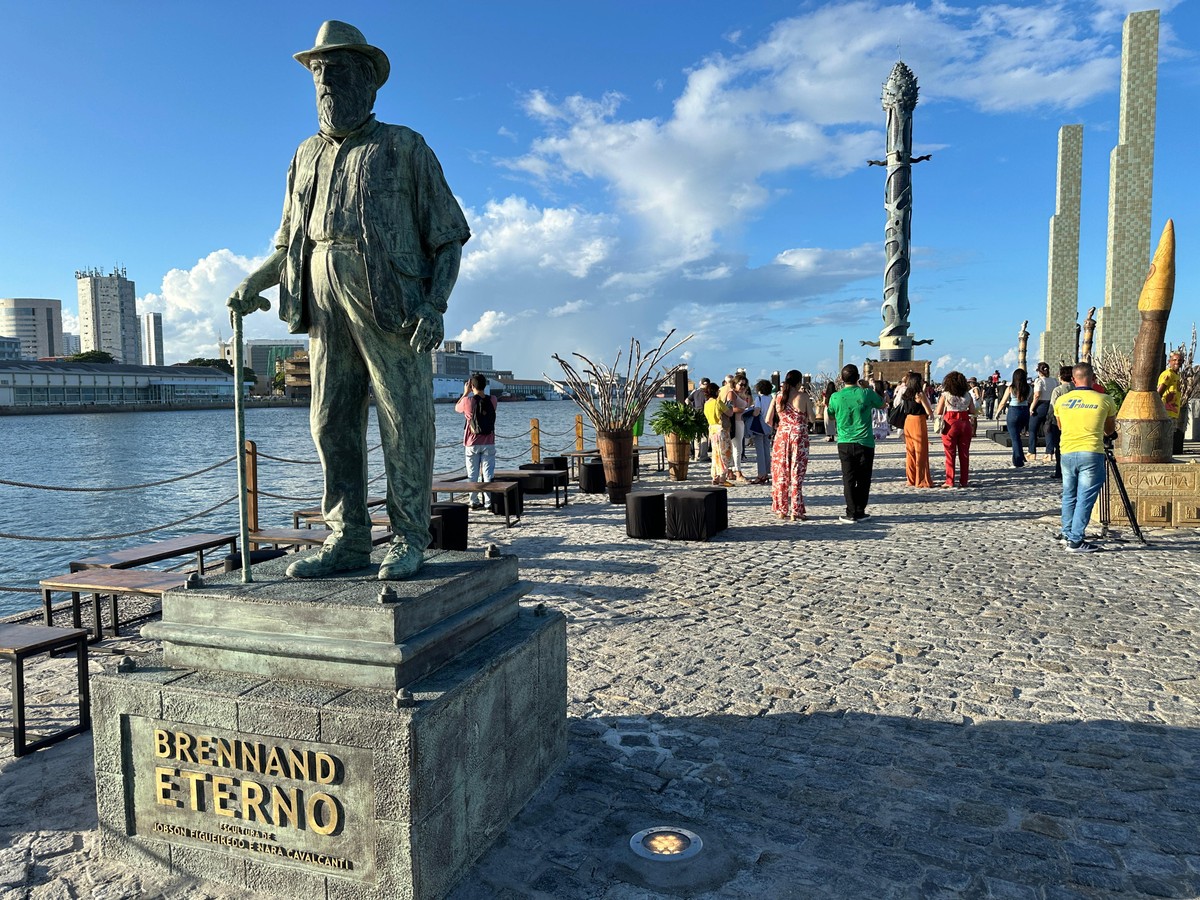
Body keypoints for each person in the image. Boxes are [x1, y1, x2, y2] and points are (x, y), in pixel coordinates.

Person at [227, 21, 471, 581]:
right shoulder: (304, 154)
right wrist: (253, 282)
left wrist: (436, 303)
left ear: (369, 81)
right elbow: (288, 239)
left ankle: (410, 535)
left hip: (394, 301)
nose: (325, 84)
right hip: (320, 296)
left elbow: (448, 235)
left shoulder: (404, 146)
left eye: (336, 72)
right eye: (318, 74)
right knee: (328, 421)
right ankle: (347, 537)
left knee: (403, 419)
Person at [1053, 362, 1118, 552]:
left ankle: (1066, 533)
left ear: (1073, 379)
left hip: (1067, 451)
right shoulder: (1105, 400)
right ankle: (1076, 539)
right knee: (1085, 497)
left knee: (1069, 495)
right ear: (1093, 378)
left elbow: (1061, 426)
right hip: (1091, 451)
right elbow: (1109, 429)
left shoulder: (1062, 401)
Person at [827, 364, 883, 523]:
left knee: (848, 478)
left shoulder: (835, 397)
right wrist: (868, 387)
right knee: (864, 478)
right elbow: (882, 403)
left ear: (841, 379)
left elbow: (830, 415)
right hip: (865, 441)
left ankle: (850, 512)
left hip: (844, 441)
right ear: (858, 377)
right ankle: (860, 510)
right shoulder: (865, 393)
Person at [768, 371, 813, 518]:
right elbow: (812, 418)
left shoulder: (778, 397)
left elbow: (768, 419)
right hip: (798, 436)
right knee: (796, 472)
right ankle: (796, 510)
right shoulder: (803, 396)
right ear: (799, 382)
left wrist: (782, 425)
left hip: (782, 435)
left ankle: (781, 509)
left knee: (781, 472)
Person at [454, 374, 499, 509]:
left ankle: (474, 501)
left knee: (472, 474)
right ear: (485, 385)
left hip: (472, 442)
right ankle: (489, 502)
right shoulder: (493, 400)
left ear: (471, 385)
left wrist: (465, 393)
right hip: (489, 441)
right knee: (488, 473)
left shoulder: (467, 401)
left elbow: (457, 408)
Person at [934, 371, 975, 487]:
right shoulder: (967, 395)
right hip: (965, 422)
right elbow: (972, 411)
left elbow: (938, 411)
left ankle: (950, 480)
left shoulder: (946, 395)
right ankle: (964, 480)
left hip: (950, 423)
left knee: (950, 453)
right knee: (964, 453)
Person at [899, 372, 935, 487]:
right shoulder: (920, 394)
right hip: (918, 421)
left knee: (910, 452)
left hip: (908, 422)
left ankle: (911, 478)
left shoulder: (905, 394)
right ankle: (921, 479)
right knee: (921, 451)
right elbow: (929, 411)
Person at [996, 368, 1032, 468]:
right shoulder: (1029, 388)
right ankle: (1021, 456)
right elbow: (1030, 400)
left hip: (1013, 411)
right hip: (1025, 411)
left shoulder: (1011, 388)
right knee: (1018, 436)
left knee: (1015, 438)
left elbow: (1003, 402)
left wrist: (997, 413)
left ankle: (1017, 462)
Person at [704, 382, 735, 486]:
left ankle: (715, 477)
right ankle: (722, 478)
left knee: (715, 455)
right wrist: (730, 405)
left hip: (712, 430)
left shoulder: (706, 403)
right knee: (724, 455)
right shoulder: (718, 402)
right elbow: (729, 413)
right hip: (721, 431)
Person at [1028, 362, 1060, 463]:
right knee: (1048, 429)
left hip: (1041, 405)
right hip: (1051, 405)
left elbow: (1037, 395)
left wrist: (1032, 407)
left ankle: (1032, 452)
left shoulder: (1039, 381)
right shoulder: (1054, 381)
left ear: (1039, 371)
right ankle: (1049, 453)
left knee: (1033, 429)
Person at [1047, 365, 1074, 480]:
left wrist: (1048, 421)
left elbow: (1052, 407)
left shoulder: (1058, 390)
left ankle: (1059, 471)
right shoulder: (1075, 388)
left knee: (1059, 447)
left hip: (1058, 421)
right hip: (1073, 421)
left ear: (1061, 376)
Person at [748, 379, 775, 484]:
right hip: (770, 425)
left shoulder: (758, 398)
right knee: (766, 449)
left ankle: (761, 474)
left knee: (760, 451)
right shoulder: (771, 398)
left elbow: (756, 412)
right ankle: (767, 471)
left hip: (760, 425)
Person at [687, 377, 711, 462]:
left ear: (700, 384)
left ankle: (696, 455)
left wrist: (692, 408)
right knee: (704, 436)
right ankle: (703, 455)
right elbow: (708, 403)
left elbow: (687, 400)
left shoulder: (695, 392)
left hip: (696, 414)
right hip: (704, 415)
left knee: (697, 436)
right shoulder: (707, 393)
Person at [1158, 350, 1183, 424]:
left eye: (1180, 360)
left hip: (1173, 412)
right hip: (1165, 412)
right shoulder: (1168, 374)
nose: (1177, 362)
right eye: (1174, 360)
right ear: (1169, 361)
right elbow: (1159, 392)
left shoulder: (1176, 375)